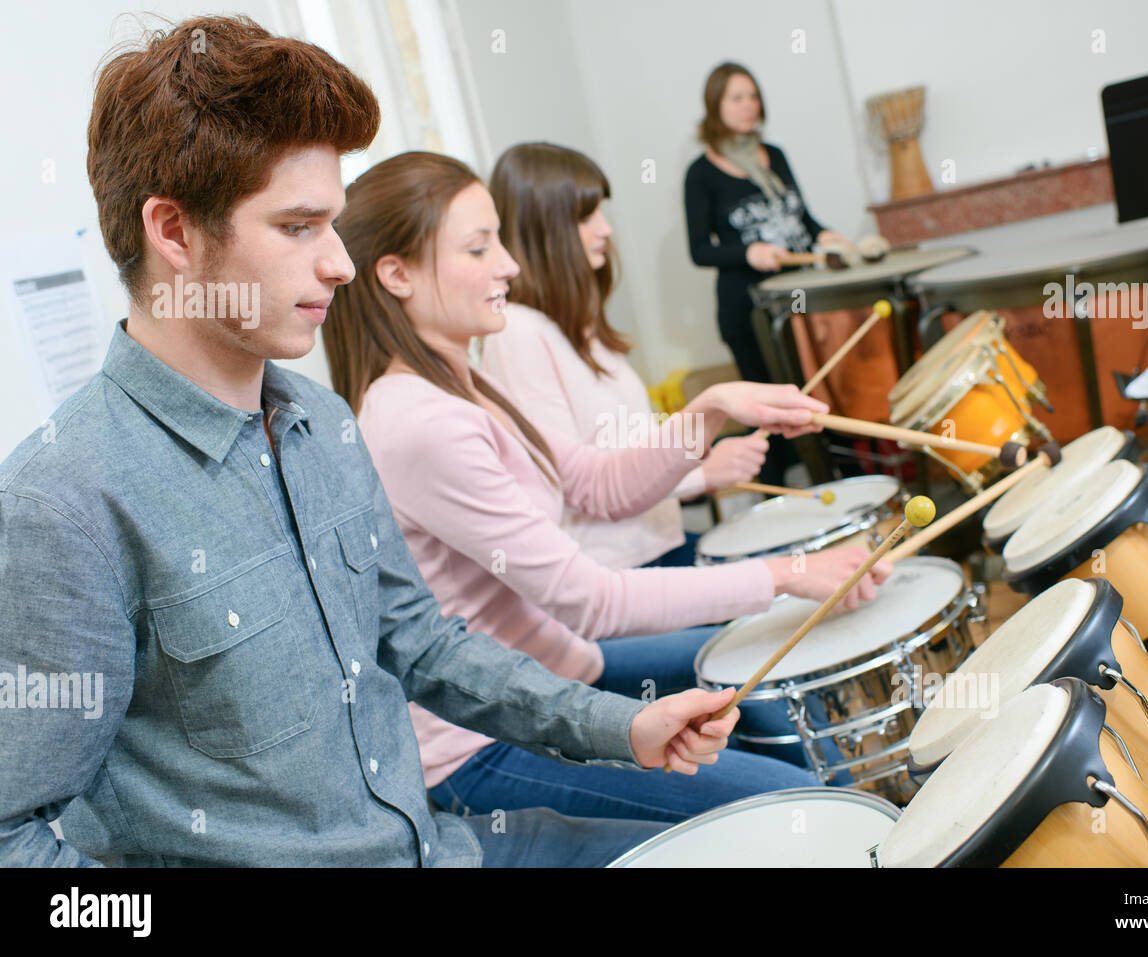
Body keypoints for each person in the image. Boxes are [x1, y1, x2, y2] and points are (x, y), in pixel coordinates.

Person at [0, 14, 749, 869]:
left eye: (335, 224)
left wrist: (618, 723)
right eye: (297, 228)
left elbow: (422, 642)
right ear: (173, 231)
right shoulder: (60, 503)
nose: (341, 265)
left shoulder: (324, 424)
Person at [322, 150, 893, 822]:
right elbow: (590, 599)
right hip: (483, 742)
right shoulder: (415, 419)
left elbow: (597, 485)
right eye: (479, 248)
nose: (508, 265)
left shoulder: (464, 382)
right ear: (396, 275)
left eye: (500, 241)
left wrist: (710, 410)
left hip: (561, 672)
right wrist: (788, 571)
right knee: (786, 801)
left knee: (766, 666)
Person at [481, 141, 767, 569]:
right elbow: (572, 480)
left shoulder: (576, 322)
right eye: (586, 216)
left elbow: (626, 442)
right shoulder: (516, 332)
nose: (606, 229)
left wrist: (697, 459)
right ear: (544, 229)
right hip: (611, 568)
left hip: (656, 543)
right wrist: (699, 473)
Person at [684, 61, 851, 486]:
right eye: (736, 98)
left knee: (816, 395)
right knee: (767, 409)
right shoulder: (701, 174)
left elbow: (800, 219)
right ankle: (778, 498)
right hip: (749, 310)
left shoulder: (773, 155)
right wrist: (748, 252)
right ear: (715, 107)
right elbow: (700, 250)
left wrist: (825, 235)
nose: (748, 106)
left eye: (753, 96)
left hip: (800, 301)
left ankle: (843, 483)